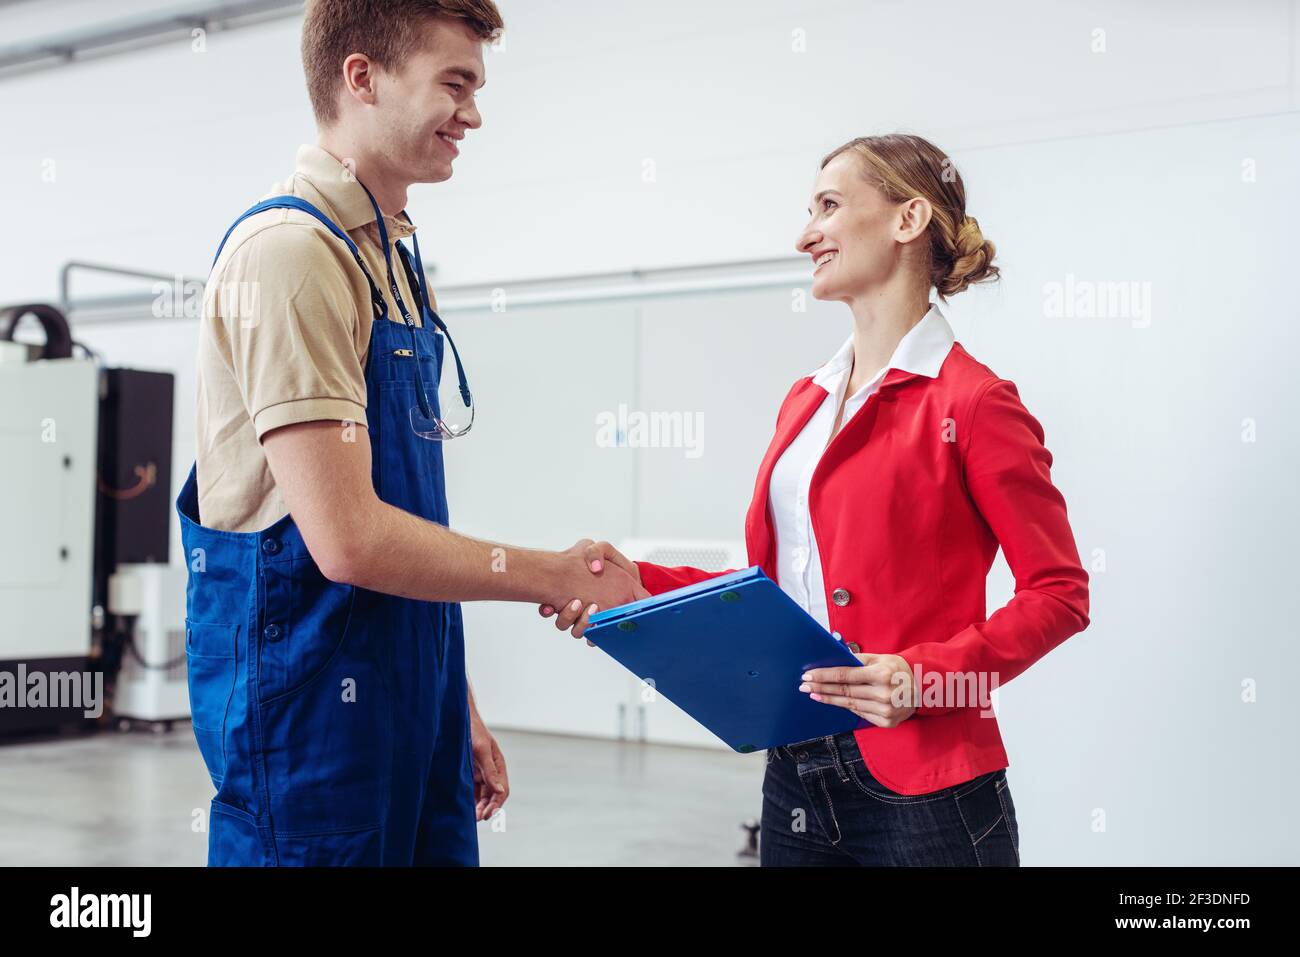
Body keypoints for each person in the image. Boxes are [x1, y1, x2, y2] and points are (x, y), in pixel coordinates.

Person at [179, 0, 643, 866]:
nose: (473, 113)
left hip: (407, 696)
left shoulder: (391, 256)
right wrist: (554, 573)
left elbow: (397, 511)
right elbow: (349, 539)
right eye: (454, 83)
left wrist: (451, 702)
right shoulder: (290, 256)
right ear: (362, 77)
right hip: (308, 715)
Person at [545, 133, 1091, 866]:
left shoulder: (975, 402)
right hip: (796, 771)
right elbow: (777, 592)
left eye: (829, 206)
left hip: (930, 794)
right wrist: (639, 582)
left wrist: (925, 678)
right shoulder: (804, 400)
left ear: (908, 220)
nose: (806, 235)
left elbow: (1059, 592)